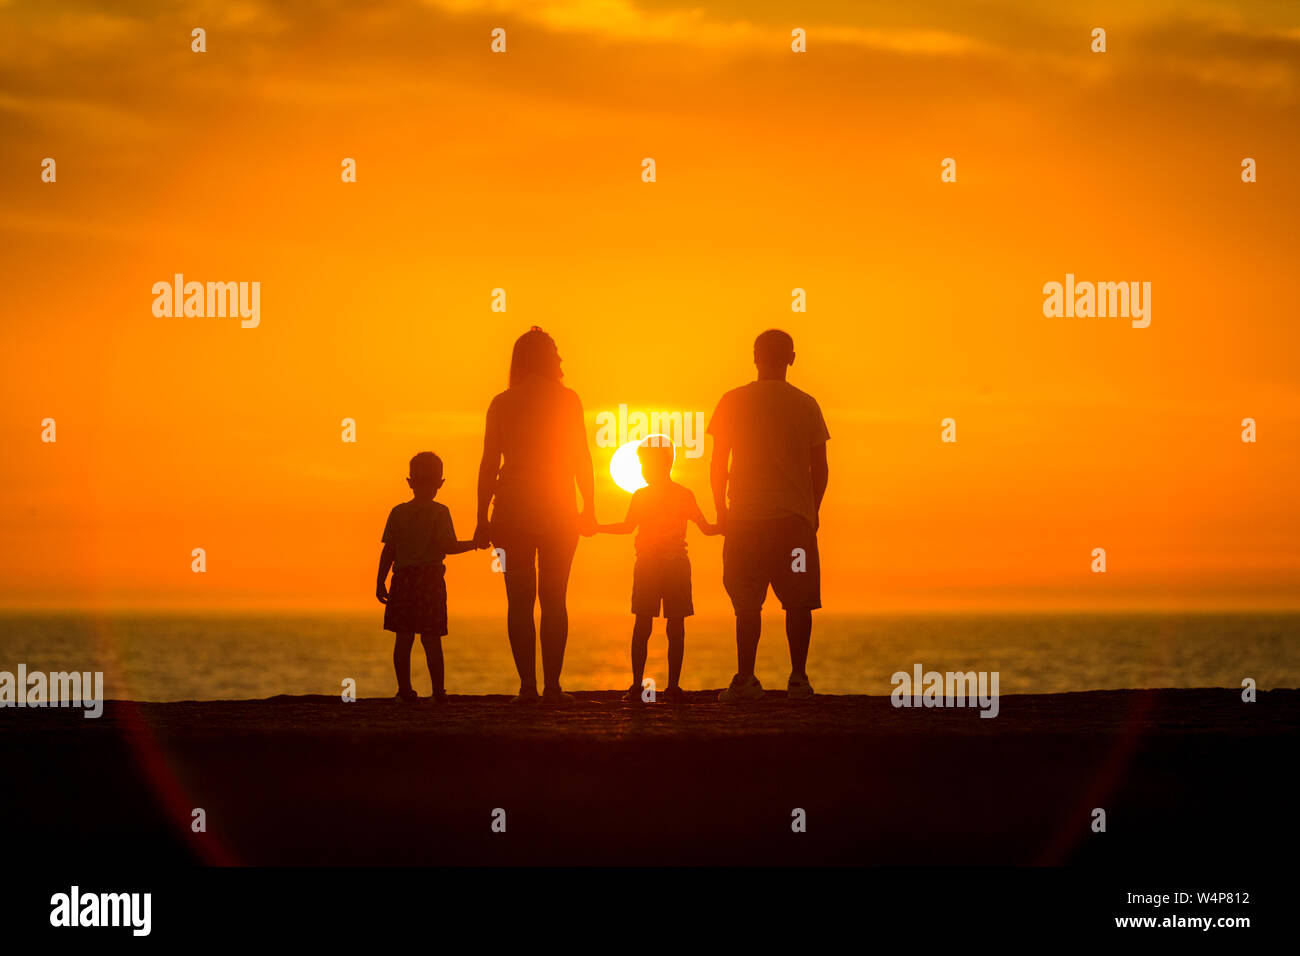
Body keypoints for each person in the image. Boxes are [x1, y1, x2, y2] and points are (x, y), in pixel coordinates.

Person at [474, 328, 596, 705]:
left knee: (519, 602)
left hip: (511, 511)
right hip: (558, 510)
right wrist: (588, 509)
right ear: (544, 358)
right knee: (555, 600)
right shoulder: (568, 400)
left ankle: (528, 688)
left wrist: (481, 518)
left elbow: (488, 465)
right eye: (556, 352)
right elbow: (582, 458)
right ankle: (553, 688)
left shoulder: (502, 402)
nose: (561, 359)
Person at [707, 329, 829, 702]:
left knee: (746, 604)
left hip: (745, 522)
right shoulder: (807, 404)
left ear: (755, 356)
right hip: (793, 523)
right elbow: (820, 468)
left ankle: (745, 678)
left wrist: (721, 510)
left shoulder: (731, 400)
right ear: (791, 358)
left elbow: (717, 464)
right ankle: (798, 679)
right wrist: (812, 511)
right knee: (798, 602)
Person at [595, 436, 719, 704]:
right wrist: (732, 524)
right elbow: (708, 529)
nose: (641, 469)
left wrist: (596, 527)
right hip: (674, 566)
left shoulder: (643, 495)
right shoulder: (683, 494)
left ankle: (639, 687)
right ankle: (671, 688)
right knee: (675, 626)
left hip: (650, 566)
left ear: (659, 463)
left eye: (643, 463)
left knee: (644, 625)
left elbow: (627, 527)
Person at [376, 452, 479, 703]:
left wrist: (380, 580)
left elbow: (388, 549)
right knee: (432, 639)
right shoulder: (440, 512)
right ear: (440, 483)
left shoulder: (398, 513)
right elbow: (448, 546)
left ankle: (404, 691)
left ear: (410, 481)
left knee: (404, 638)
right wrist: (474, 544)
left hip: (403, 580)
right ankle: (438, 692)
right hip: (431, 581)